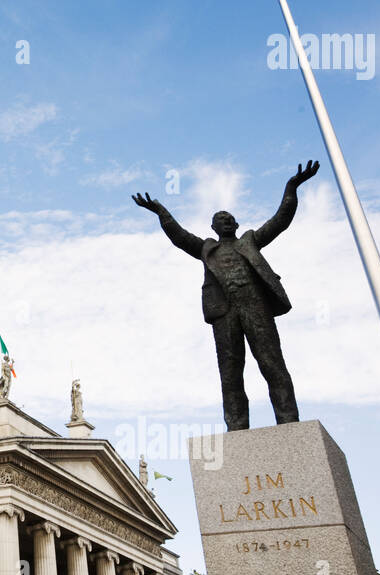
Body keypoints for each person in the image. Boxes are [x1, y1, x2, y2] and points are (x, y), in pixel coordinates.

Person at [132, 161, 320, 431]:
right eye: (221, 220)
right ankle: (237, 427)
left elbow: (280, 220)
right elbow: (179, 235)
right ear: (213, 227)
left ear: (237, 223)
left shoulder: (250, 241)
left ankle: (288, 422)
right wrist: (161, 211)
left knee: (272, 364)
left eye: (230, 218)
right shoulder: (206, 249)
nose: (227, 221)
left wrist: (292, 187)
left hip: (255, 307)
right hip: (224, 312)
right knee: (230, 374)